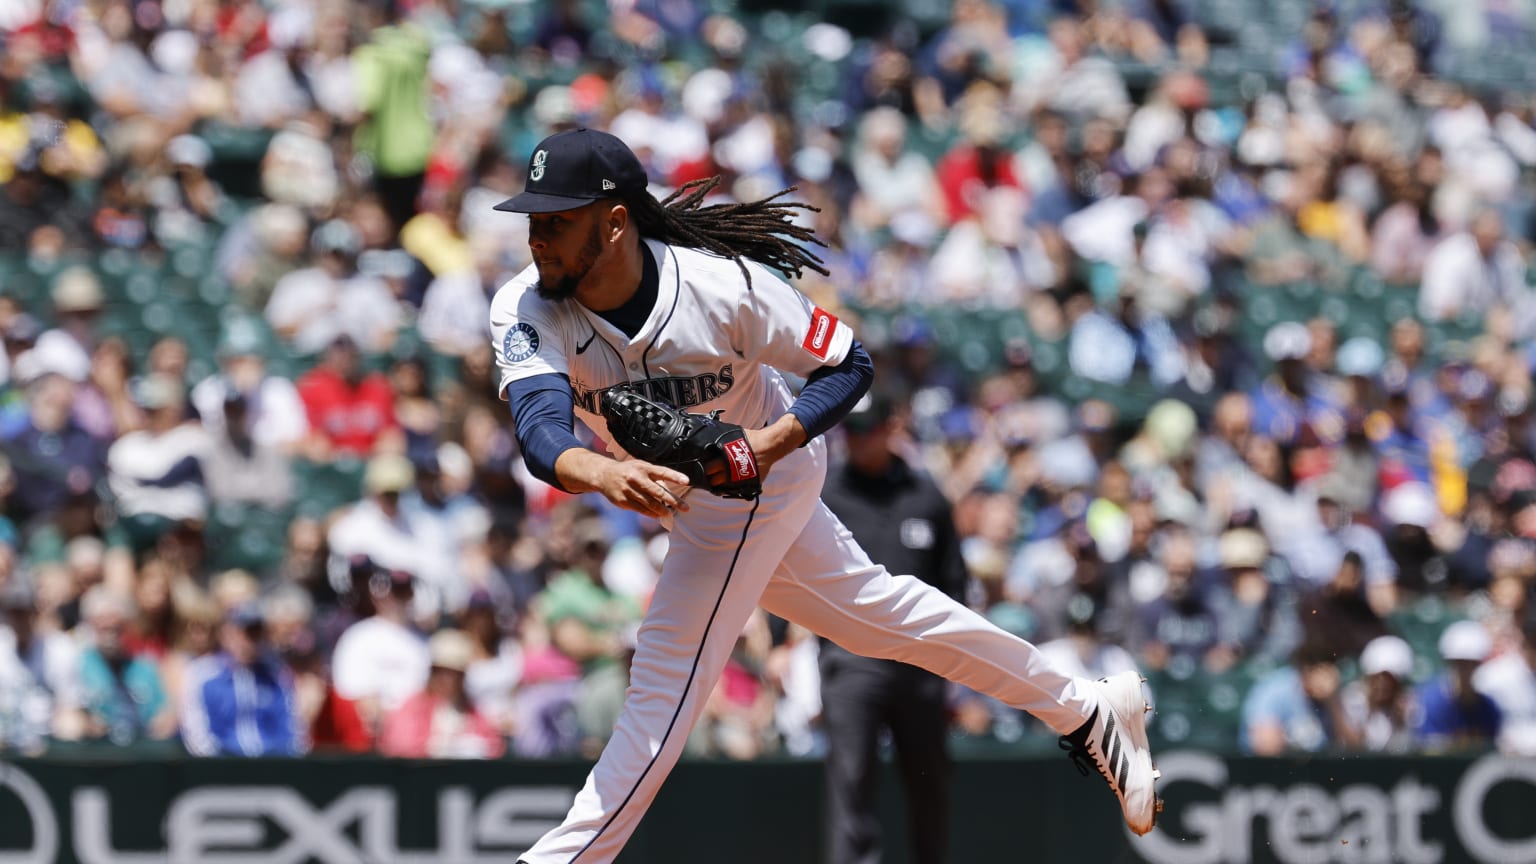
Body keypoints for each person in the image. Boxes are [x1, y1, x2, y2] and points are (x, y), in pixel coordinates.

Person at [489, 128, 1158, 864]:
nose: (538, 239)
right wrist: (603, 472)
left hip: (759, 481)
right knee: (879, 618)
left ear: (613, 222)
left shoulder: (721, 288)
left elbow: (847, 364)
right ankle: (1085, 708)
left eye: (557, 221)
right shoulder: (526, 306)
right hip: (698, 489)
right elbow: (540, 428)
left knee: (661, 690)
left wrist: (768, 444)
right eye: (533, 222)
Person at [816, 392, 967, 864]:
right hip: (852, 656)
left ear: (890, 428)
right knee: (851, 779)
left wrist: (956, 660)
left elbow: (954, 582)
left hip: (920, 658)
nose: (858, 441)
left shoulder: (926, 496)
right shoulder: (825, 492)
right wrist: (784, 641)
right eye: (850, 432)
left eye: (867, 430)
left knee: (929, 779)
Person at [181, 601, 304, 757]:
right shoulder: (203, 674)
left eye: (256, 633)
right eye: (244, 632)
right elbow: (197, 736)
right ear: (226, 634)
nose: (250, 641)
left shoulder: (278, 675)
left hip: (272, 770)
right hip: (220, 771)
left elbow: (293, 734)